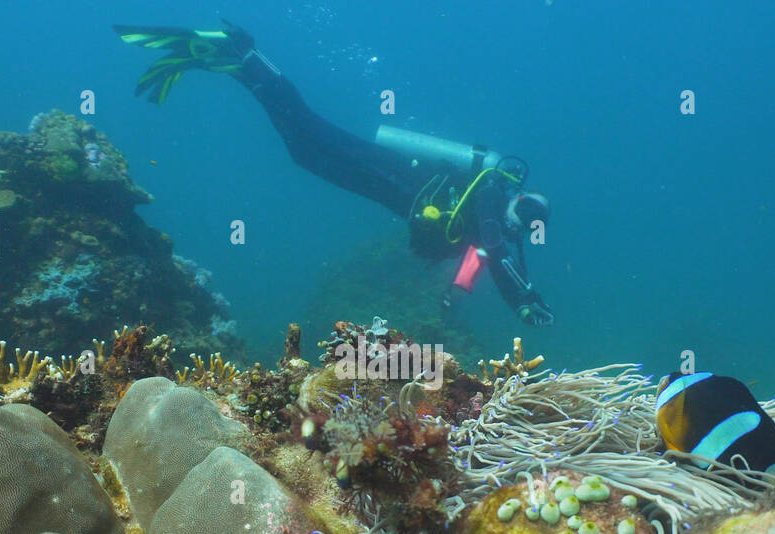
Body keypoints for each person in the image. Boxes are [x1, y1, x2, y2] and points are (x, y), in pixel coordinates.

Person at [115, 21, 555, 326]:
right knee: (310, 128)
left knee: (302, 153)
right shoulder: (495, 191)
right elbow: (494, 249)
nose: (521, 222)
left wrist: (461, 295)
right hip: (397, 174)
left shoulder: (496, 223)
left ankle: (240, 72)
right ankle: (248, 53)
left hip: (389, 191)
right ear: (520, 198)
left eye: (528, 223)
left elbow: (481, 258)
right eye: (526, 212)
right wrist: (526, 300)